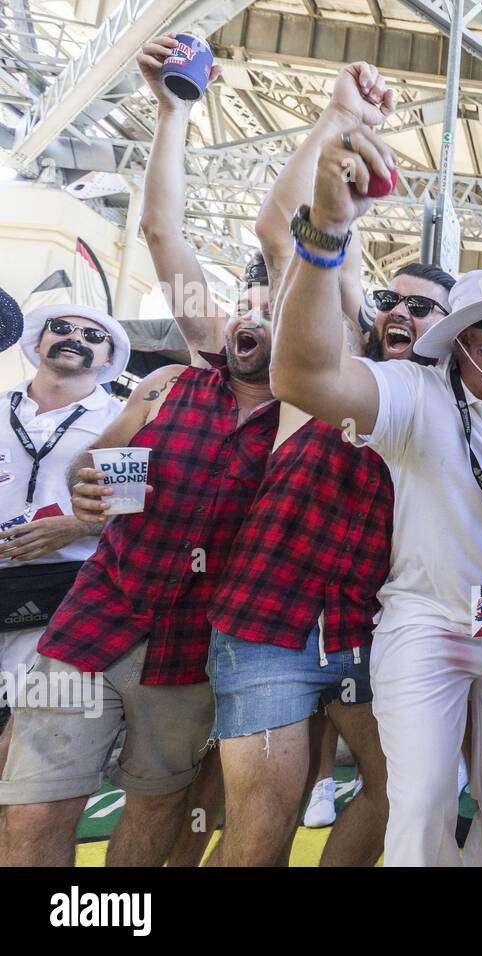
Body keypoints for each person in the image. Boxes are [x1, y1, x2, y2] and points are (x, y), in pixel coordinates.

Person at [272, 112, 482, 865]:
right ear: (463, 342)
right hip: (427, 623)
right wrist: (327, 229)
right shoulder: (416, 395)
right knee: (419, 797)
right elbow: (302, 376)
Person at [0, 249, 280, 868]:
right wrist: (86, 488)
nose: (248, 322)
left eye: (271, 313)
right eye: (242, 309)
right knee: (34, 806)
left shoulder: (303, 417)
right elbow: (93, 461)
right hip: (97, 611)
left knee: (155, 805)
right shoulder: (166, 385)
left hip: (193, 641)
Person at [199, 59, 403, 867]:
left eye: (431, 309)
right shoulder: (327, 371)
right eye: (400, 304)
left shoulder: (445, 409)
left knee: (401, 791)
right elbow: (284, 231)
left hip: (367, 628)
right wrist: (337, 120)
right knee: (263, 822)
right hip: (267, 620)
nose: (409, 316)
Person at [0, 303, 127, 772]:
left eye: (94, 336)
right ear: (38, 341)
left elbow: (134, 509)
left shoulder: (120, 420)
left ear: (110, 358)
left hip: (68, 587)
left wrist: (77, 526)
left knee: (28, 728)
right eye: (62, 328)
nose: (76, 338)